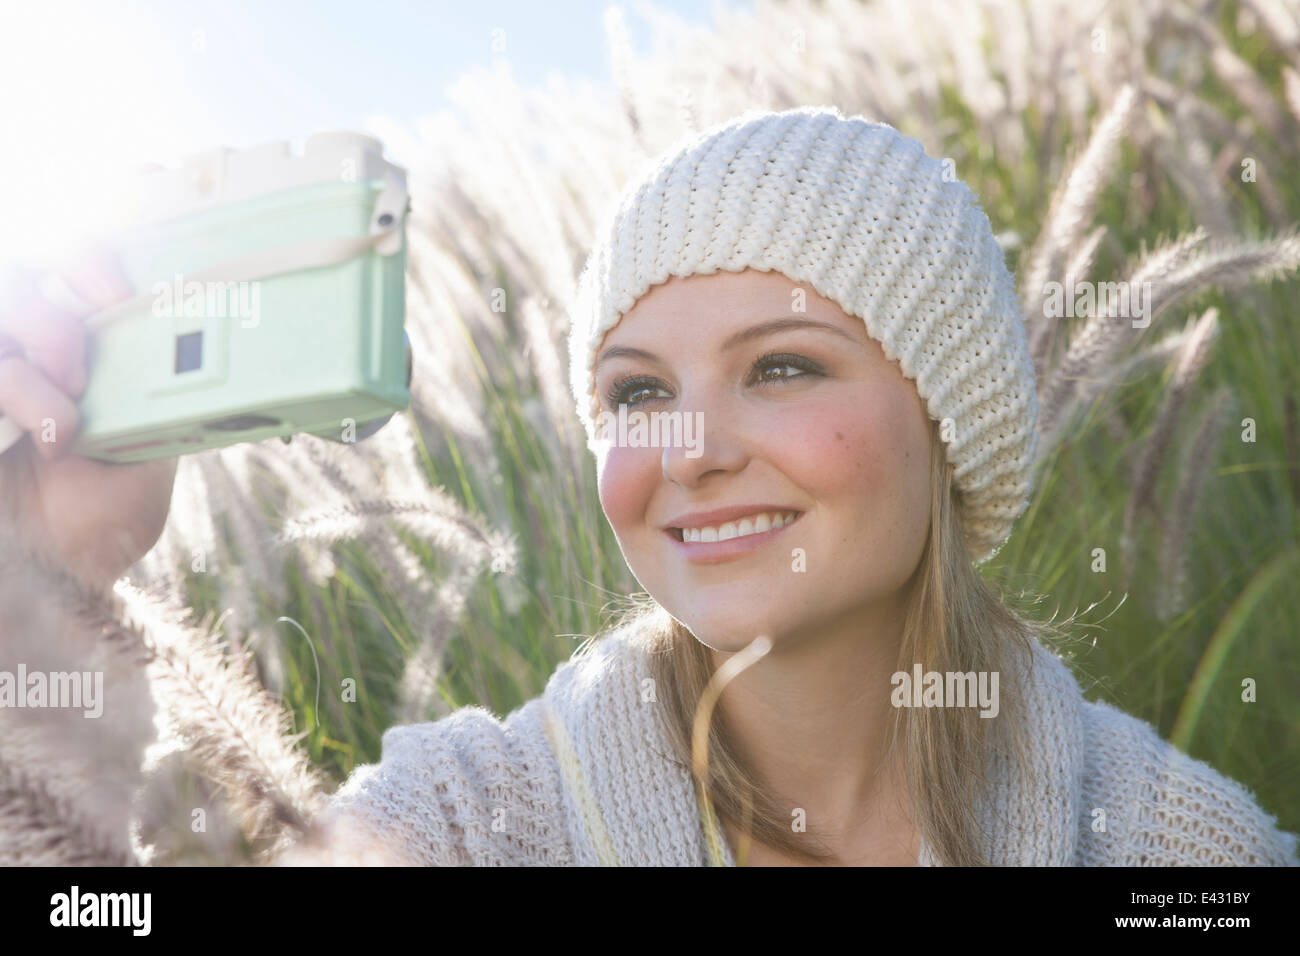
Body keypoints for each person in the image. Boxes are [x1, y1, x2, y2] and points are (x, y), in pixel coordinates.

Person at [0, 106, 1295, 866]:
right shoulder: (469, 823)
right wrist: (45, 581)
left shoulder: (1173, 848)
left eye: (782, 365)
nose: (687, 449)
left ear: (952, 421)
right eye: (635, 392)